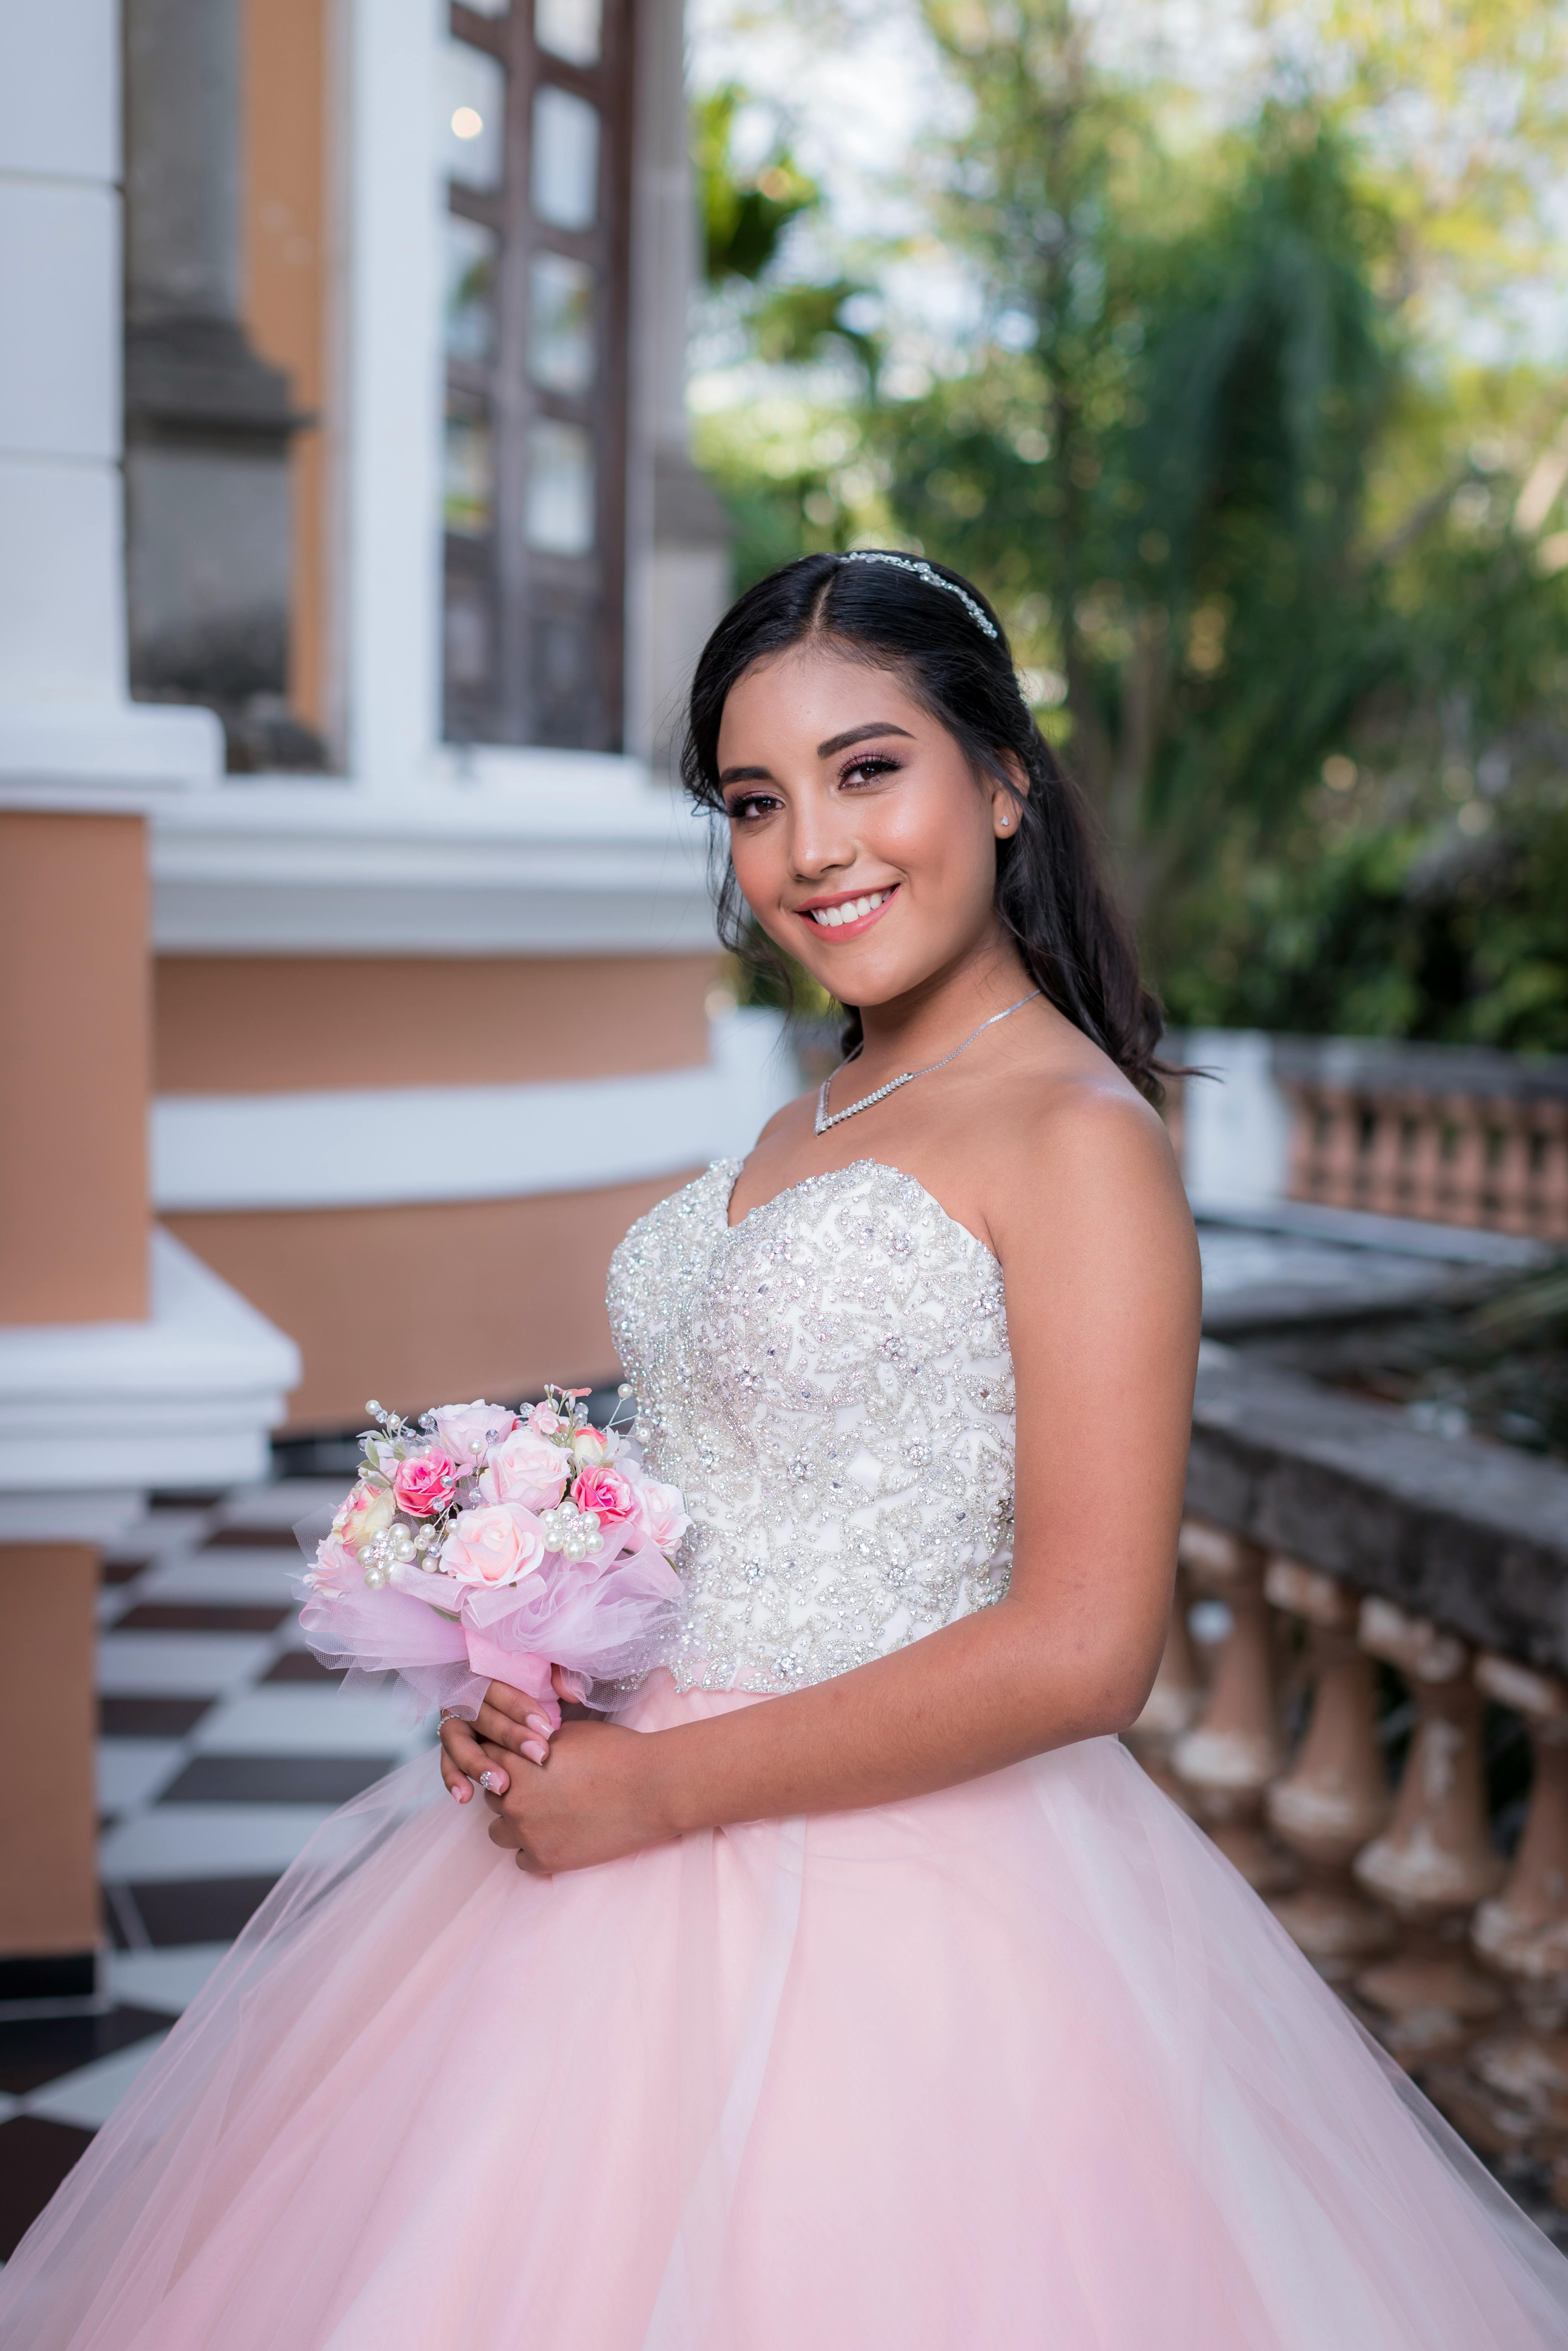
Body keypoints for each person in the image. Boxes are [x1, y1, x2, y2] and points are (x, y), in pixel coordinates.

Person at [5, 551, 1566, 2349]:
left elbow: (1086, 1645)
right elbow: (729, 1486)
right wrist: (542, 1675)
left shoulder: (1074, 1141)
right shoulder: (809, 1110)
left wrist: (655, 1793)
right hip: (604, 1836)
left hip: (909, 1910)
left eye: (865, 768)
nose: (811, 847)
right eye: (756, 801)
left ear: (999, 782)